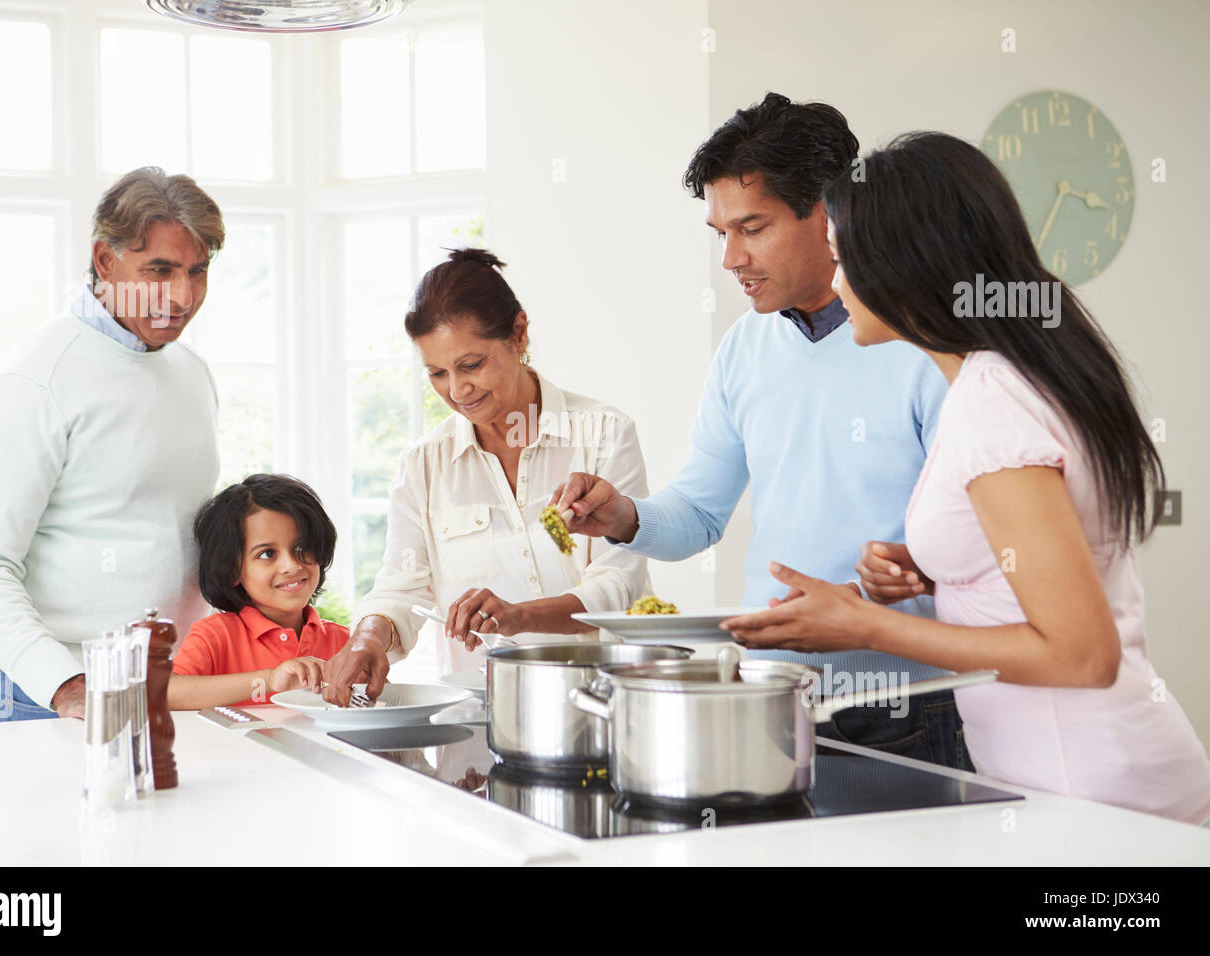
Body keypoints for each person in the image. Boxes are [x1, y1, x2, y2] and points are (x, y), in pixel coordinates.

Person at [722, 131, 1210, 824]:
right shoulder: (1016, 375)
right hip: (1086, 785)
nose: (836, 285)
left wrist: (864, 624)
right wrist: (939, 572)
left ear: (902, 266)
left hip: (1093, 797)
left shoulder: (992, 402)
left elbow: (1081, 656)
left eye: (843, 261)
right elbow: (1044, 566)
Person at [550, 93, 969, 769]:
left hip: (906, 703)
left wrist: (909, 575)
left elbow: (986, 547)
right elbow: (697, 514)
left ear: (830, 216)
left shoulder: (928, 347)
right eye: (720, 233)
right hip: (768, 695)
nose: (731, 259)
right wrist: (624, 517)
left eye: (752, 228)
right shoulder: (745, 347)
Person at [0, 167, 224, 721]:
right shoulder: (36, 381)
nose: (183, 295)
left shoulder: (191, 372)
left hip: (171, 683)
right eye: (160, 270)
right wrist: (66, 686)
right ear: (105, 261)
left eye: (198, 271)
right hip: (58, 692)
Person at [320, 248, 651, 703]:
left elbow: (619, 585)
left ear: (518, 334)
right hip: (483, 720)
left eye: (471, 365)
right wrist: (368, 638)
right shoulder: (424, 464)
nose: (457, 391)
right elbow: (403, 586)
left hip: (607, 708)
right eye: (437, 373)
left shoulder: (604, 434)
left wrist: (518, 617)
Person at [169, 474, 348, 709]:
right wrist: (271, 679)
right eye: (267, 554)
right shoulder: (216, 636)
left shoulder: (345, 642)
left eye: (302, 547)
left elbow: (378, 703)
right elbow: (167, 694)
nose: (292, 565)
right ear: (232, 570)